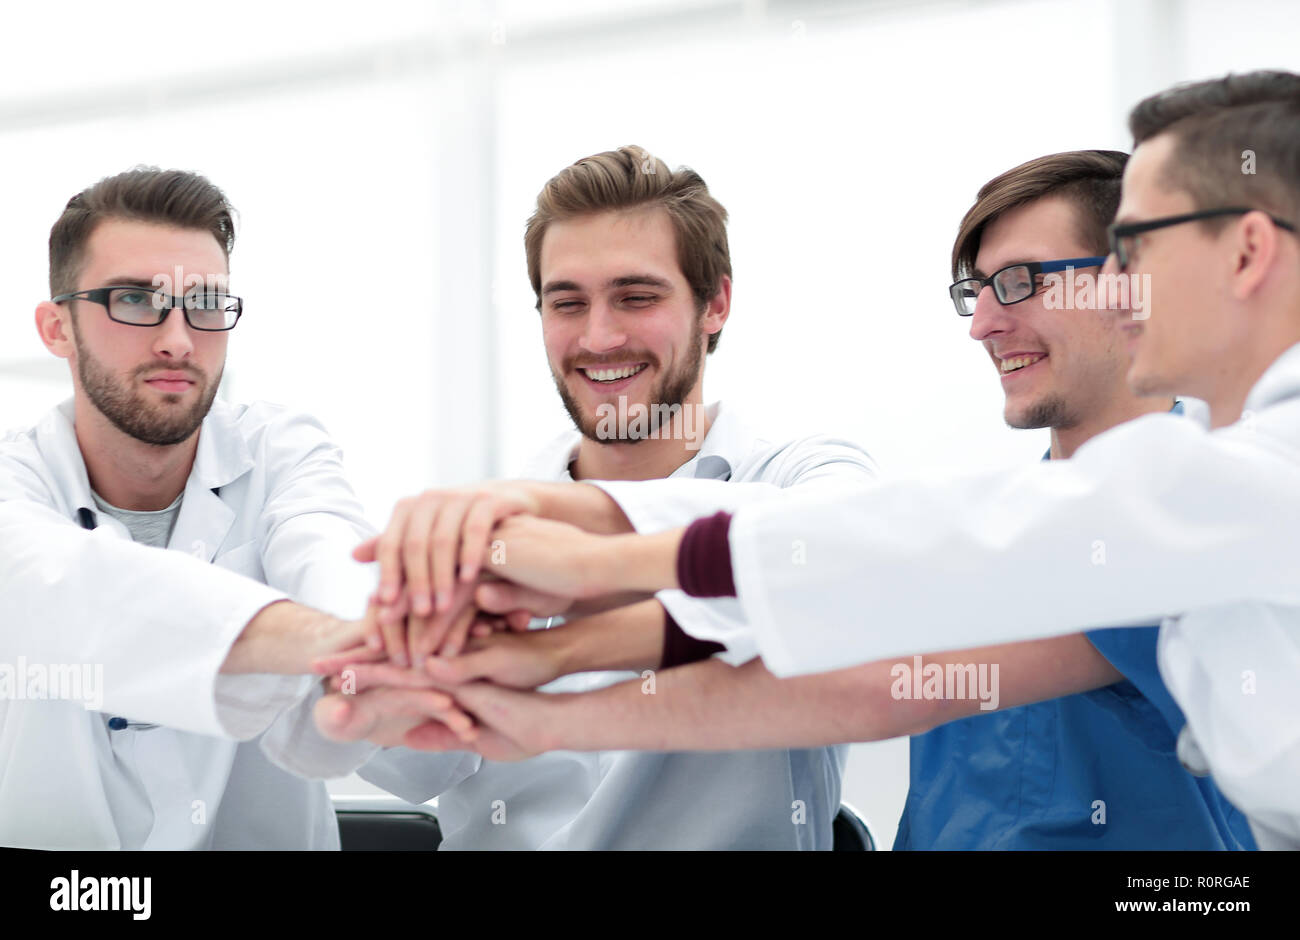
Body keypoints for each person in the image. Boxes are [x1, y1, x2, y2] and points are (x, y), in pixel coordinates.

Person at [408, 71, 1300, 849]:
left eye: (1139, 247)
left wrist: (598, 560)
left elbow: (887, 555)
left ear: (1249, 250)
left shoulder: (1222, 485)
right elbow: (872, 679)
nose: (987, 322)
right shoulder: (1118, 517)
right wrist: (546, 685)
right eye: (977, 293)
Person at [304, 146, 880, 849]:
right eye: (566, 302)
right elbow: (429, 763)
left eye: (636, 297)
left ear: (715, 304)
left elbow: (840, 550)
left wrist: (587, 537)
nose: (599, 337)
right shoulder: (487, 517)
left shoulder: (805, 473)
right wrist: (368, 677)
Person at [0, 167, 392, 849]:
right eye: (134, 299)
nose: (179, 339)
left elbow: (328, 549)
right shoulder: (14, 481)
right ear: (56, 328)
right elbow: (59, 583)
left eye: (205, 301)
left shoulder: (281, 451)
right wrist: (327, 645)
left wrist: (368, 634)